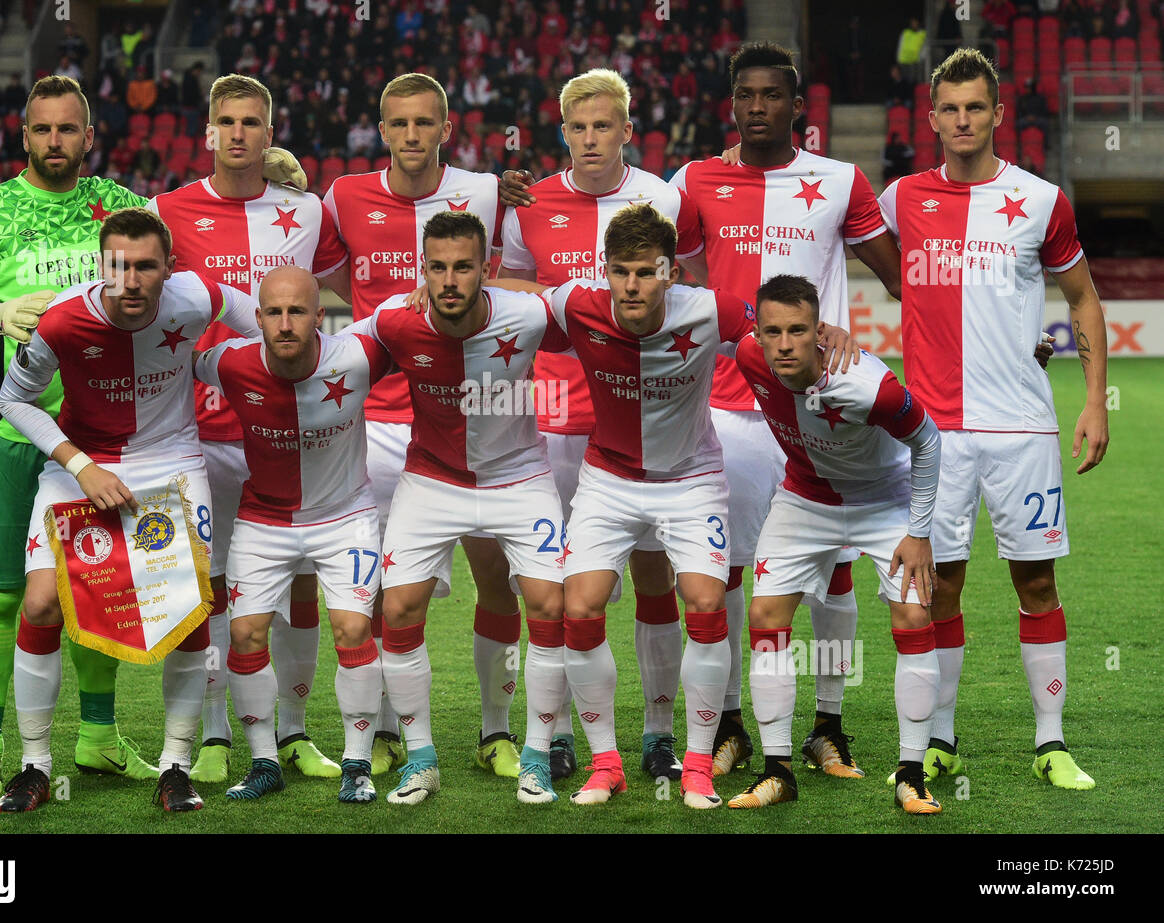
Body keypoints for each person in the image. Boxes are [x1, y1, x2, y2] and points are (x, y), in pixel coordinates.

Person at [516, 203, 856, 808]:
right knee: (580, 607)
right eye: (620, 271)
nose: (632, 285)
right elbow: (513, 302)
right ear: (605, 270)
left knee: (704, 603)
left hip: (691, 481)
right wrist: (426, 292)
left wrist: (827, 329)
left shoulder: (710, 309)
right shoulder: (578, 304)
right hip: (608, 480)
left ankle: (696, 763)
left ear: (670, 271)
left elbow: (777, 326)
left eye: (646, 272)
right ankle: (606, 764)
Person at [670, 41, 904, 780]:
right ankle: (735, 723)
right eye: (747, 95)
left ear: (797, 106)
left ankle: (828, 726)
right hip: (731, 415)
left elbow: (907, 281)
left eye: (773, 94)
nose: (758, 106)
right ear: (732, 103)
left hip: (821, 416)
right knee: (735, 574)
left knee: (834, 576)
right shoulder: (694, 180)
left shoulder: (839, 181)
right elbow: (664, 278)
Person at [877, 48, 1108, 789]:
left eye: (977, 107)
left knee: (1035, 581)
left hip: (1021, 428)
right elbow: (828, 224)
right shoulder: (901, 197)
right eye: (951, 108)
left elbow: (1083, 300)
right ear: (933, 115)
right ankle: (940, 739)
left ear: (998, 114)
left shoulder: (1040, 200)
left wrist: (1095, 401)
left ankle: (1051, 742)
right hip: (936, 432)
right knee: (939, 586)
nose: (964, 119)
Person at [0, 207, 261, 812]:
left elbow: (260, 321)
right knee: (39, 601)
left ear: (170, 268)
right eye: (118, 266)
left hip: (170, 462)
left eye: (146, 267)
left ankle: (176, 765)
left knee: (190, 613)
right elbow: (15, 399)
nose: (131, 280)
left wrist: (230, 367)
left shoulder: (195, 296)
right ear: (101, 265)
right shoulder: (62, 321)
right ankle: (34, 764)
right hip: (80, 466)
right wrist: (80, 465)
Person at [0, 75, 151, 802]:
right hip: (9, 430)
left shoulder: (120, 206)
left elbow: (172, 260)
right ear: (23, 135)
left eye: (68, 129)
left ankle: (96, 738)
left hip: (98, 437)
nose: (55, 141)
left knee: (93, 588)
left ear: (90, 136)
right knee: (4, 597)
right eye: (42, 130)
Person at [496, 68, 706, 783]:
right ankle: (553, 734)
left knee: (655, 580)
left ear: (626, 129)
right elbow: (510, 291)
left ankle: (656, 733)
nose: (591, 139)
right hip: (551, 421)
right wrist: (572, 298)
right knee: (556, 593)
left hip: (641, 421)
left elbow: (686, 291)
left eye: (603, 126)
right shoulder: (531, 204)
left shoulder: (662, 198)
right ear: (563, 134)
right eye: (577, 128)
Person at [147, 74, 349, 785]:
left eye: (251, 122)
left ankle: (292, 731)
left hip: (292, 430)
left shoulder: (306, 211)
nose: (238, 133)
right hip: (195, 433)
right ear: (207, 132)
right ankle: (212, 734)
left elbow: (352, 292)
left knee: (297, 586)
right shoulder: (164, 211)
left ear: (271, 133)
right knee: (209, 589)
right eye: (226, 122)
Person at [323, 73, 521, 780]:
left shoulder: (490, 193)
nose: (411, 136)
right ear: (382, 130)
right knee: (380, 587)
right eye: (398, 124)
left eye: (424, 123)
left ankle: (496, 730)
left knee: (495, 573)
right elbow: (321, 278)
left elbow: (521, 275)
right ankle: (382, 729)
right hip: (374, 423)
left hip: (473, 412)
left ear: (446, 128)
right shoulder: (343, 197)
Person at [351, 211, 569, 806]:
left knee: (551, 603)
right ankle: (419, 758)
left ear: (486, 270)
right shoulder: (396, 320)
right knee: (396, 608)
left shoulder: (525, 315)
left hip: (518, 477)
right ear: (424, 269)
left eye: (464, 268)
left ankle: (536, 755)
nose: (449, 280)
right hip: (432, 479)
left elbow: (597, 313)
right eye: (438, 267)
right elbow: (329, 362)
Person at [724, 275, 944, 816]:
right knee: (765, 614)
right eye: (772, 330)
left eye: (798, 330)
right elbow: (700, 303)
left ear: (818, 332)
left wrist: (917, 533)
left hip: (883, 502)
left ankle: (911, 774)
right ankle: (778, 771)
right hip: (803, 500)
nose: (783, 344)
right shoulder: (751, 355)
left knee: (914, 619)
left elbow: (929, 441)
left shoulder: (871, 386)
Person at [193, 268, 389, 804]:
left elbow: (422, 335)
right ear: (256, 319)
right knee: (245, 633)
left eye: (297, 311)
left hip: (345, 516)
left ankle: (357, 763)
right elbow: (164, 356)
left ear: (318, 315)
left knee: (354, 628)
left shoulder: (357, 356)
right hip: (264, 520)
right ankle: (263, 762)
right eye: (273, 313)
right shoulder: (229, 361)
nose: (285, 323)